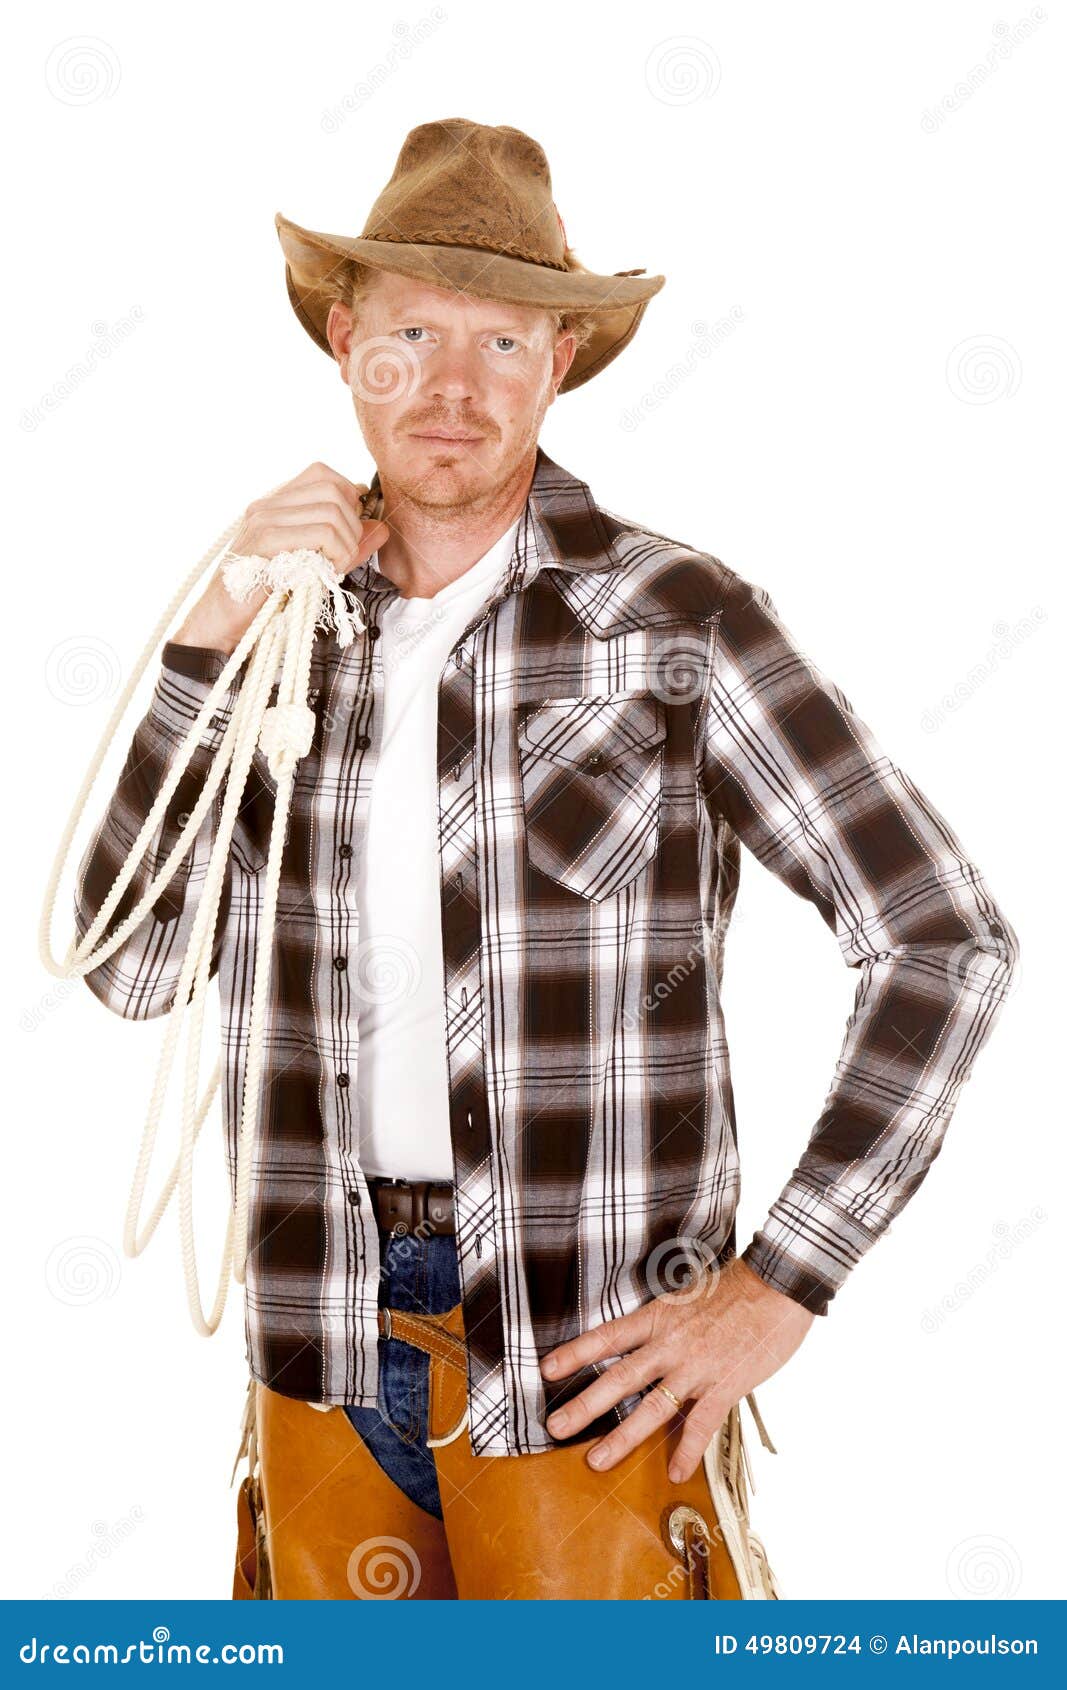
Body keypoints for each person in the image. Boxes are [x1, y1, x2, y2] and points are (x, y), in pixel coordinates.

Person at [74, 118, 1019, 1601]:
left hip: (593, 1363)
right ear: (345, 343)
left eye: (501, 342)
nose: (451, 387)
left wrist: (782, 1283)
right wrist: (210, 634)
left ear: (560, 362)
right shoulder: (277, 636)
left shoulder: (677, 620)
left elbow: (940, 936)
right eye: (411, 335)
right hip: (322, 1349)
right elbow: (130, 964)